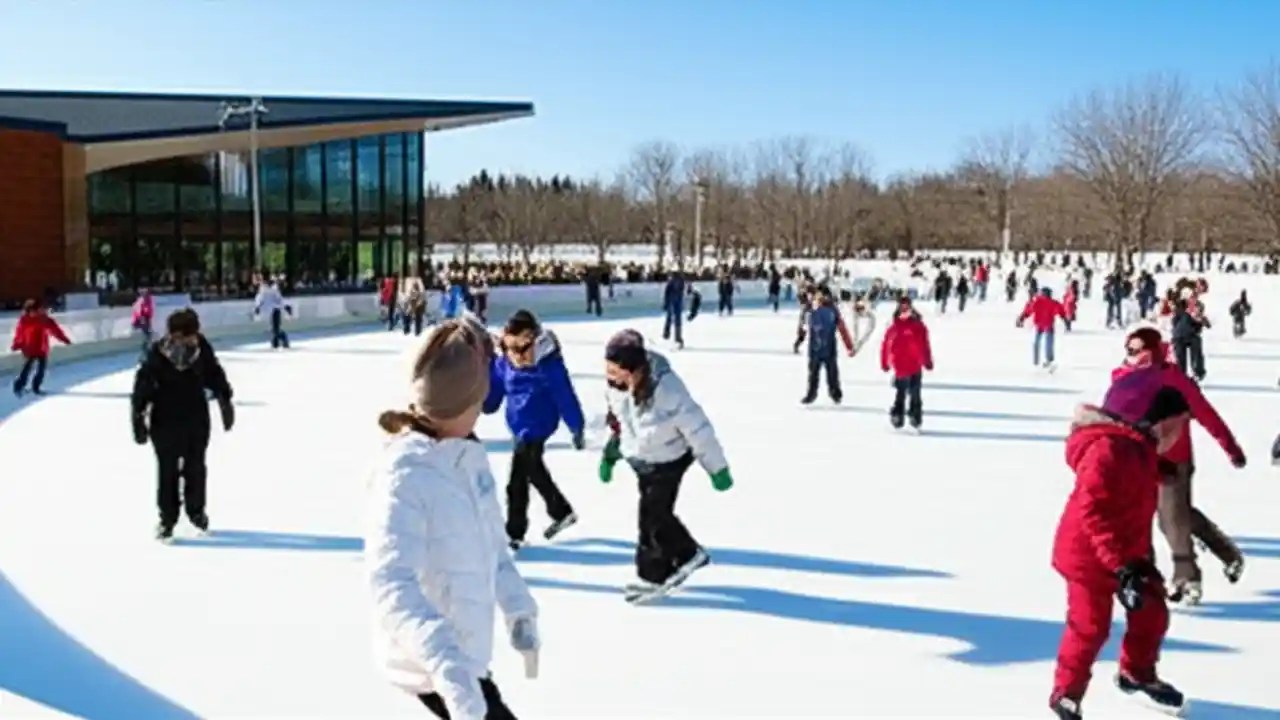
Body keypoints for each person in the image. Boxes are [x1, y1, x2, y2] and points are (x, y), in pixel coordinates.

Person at [365, 319, 537, 719]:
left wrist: (518, 606)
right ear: (462, 403)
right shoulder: (405, 475)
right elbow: (391, 584)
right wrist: (448, 667)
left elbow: (492, 542)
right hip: (427, 666)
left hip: (464, 655)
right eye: (478, 403)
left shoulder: (467, 457)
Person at [1050, 368, 1192, 720]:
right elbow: (1093, 511)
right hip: (1086, 555)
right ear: (1158, 423)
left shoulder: (1139, 449)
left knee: (1152, 609)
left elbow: (1132, 478)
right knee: (1090, 626)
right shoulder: (1107, 451)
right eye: (1177, 427)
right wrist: (1121, 566)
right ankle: (1066, 694)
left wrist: (1158, 470)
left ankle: (1137, 673)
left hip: (1127, 550)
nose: (1180, 436)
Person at [598, 330, 733, 599]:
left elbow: (697, 428)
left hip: (670, 458)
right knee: (657, 514)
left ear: (634, 370)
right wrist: (611, 454)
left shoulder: (667, 389)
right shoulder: (615, 388)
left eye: (616, 371)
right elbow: (620, 424)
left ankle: (654, 575)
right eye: (608, 370)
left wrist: (717, 468)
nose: (610, 377)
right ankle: (688, 554)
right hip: (642, 458)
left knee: (651, 517)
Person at [1117, 326, 1247, 602]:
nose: (1132, 357)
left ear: (1152, 352)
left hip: (1174, 461)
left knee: (1172, 520)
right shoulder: (1122, 379)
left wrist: (1231, 448)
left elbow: (1207, 414)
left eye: (1138, 351)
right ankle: (1225, 553)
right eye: (1129, 351)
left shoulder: (1175, 380)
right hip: (1139, 461)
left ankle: (1187, 579)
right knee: (1151, 519)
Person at [131, 308, 234, 542]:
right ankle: (167, 519)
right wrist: (137, 416)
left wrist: (225, 399)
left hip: (196, 417)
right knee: (167, 470)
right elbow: (142, 386)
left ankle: (196, 511)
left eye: (194, 335)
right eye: (187, 335)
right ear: (174, 334)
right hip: (164, 419)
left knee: (195, 467)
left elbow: (214, 373)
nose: (192, 340)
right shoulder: (157, 354)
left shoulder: (201, 348)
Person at [488, 309, 587, 551]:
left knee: (517, 481)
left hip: (540, 423)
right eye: (512, 349)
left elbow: (565, 396)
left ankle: (514, 533)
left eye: (523, 349)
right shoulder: (505, 360)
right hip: (518, 424)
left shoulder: (548, 364)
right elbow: (494, 394)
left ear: (534, 339)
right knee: (534, 470)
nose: (518, 356)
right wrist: (479, 403)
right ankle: (561, 511)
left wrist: (576, 427)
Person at [880, 297, 933, 431]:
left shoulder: (919, 326)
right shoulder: (894, 327)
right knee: (901, 392)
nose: (905, 312)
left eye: (907, 308)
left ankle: (915, 417)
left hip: (915, 364)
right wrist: (885, 362)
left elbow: (924, 345)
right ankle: (898, 415)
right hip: (900, 365)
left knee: (915, 392)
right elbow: (886, 345)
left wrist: (927, 361)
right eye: (902, 309)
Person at [800, 286, 855, 405]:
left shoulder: (833, 309)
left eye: (825, 296)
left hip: (829, 347)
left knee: (832, 373)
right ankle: (811, 394)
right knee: (813, 373)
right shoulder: (811, 309)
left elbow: (842, 328)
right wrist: (800, 337)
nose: (822, 298)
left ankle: (835, 393)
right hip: (815, 347)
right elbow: (804, 323)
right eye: (819, 295)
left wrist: (849, 345)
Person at [9, 299, 71, 397]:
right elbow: (19, 334)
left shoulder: (45, 320)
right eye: (31, 312)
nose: (33, 314)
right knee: (26, 368)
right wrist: (16, 344)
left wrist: (64, 339)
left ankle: (36, 387)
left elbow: (56, 331)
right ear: (28, 311)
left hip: (42, 348)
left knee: (41, 369)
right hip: (29, 348)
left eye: (35, 311)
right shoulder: (24, 320)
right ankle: (18, 386)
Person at [1017, 287, 1069, 369]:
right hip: (1047, 325)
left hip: (1040, 325)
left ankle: (1036, 361)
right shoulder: (1051, 302)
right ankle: (1048, 359)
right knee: (1048, 343)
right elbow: (1061, 311)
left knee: (1037, 343)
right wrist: (1065, 320)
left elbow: (1028, 310)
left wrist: (1022, 317)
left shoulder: (1037, 301)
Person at [1170, 295, 1207, 382]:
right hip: (1180, 336)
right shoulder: (1181, 310)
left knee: (1196, 348)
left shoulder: (1198, 313)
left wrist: (1199, 322)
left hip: (1190, 336)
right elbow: (1174, 321)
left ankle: (1197, 371)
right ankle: (1182, 374)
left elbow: (1202, 325)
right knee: (1181, 357)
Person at [253, 279, 291, 349]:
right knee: (273, 328)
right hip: (270, 311)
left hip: (275, 310)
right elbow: (260, 300)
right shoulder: (264, 290)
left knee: (275, 328)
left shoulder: (273, 290)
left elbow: (280, 300)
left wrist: (286, 307)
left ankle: (281, 340)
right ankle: (276, 342)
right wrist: (257, 308)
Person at [662, 272, 685, 348]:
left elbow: (681, 292)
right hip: (671, 301)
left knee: (676, 319)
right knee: (670, 317)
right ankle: (667, 334)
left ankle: (677, 337)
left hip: (677, 301)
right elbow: (667, 292)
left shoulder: (681, 281)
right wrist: (666, 303)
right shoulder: (671, 282)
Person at [131, 289, 155, 362]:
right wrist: (143, 320)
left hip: (145, 321)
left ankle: (144, 356)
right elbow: (142, 312)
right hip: (144, 321)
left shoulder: (145, 300)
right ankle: (144, 356)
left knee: (147, 338)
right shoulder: (142, 301)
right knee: (146, 339)